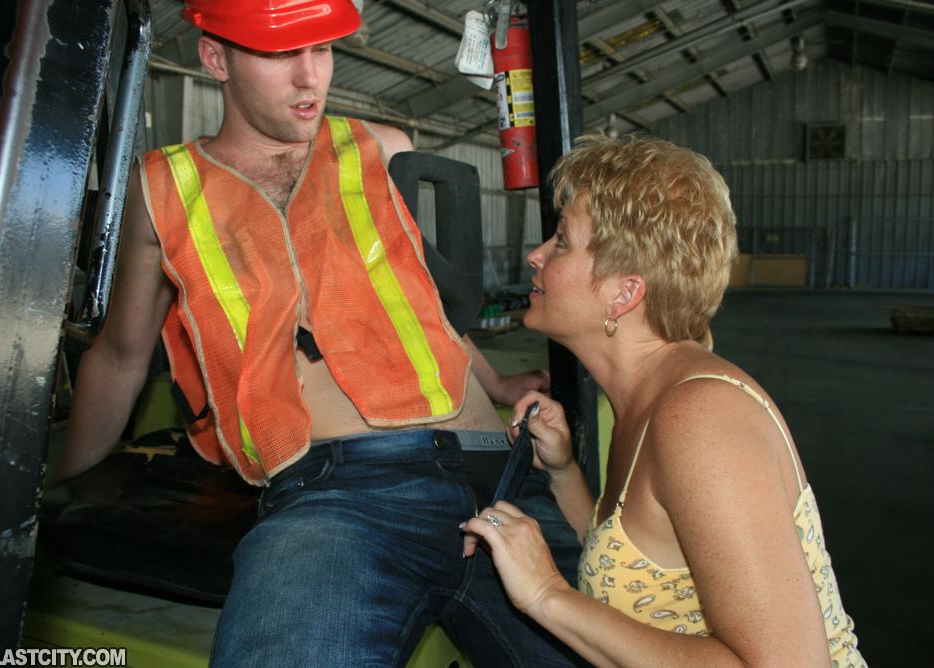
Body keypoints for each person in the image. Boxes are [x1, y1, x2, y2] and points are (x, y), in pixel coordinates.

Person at [53, 1, 585, 666]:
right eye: (281, 54)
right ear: (215, 59)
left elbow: (414, 306)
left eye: (323, 49)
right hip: (339, 498)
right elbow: (121, 355)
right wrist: (47, 495)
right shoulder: (163, 189)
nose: (311, 77)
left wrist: (499, 381)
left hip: (498, 468)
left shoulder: (382, 149)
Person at [461, 135, 866, 666]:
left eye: (561, 242)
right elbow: (642, 578)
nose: (535, 256)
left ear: (624, 294)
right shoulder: (645, 400)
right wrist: (563, 474)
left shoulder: (700, 420)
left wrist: (547, 595)